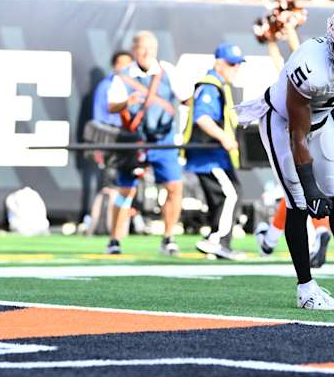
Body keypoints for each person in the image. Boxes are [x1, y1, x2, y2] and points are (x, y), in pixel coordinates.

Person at [237, 5, 334, 311]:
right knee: (299, 203)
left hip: (323, 117)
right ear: (331, 44)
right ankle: (305, 288)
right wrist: (310, 186)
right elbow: (297, 133)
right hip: (283, 124)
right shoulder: (309, 65)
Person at [105, 31, 191, 256]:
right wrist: (127, 102)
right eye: (142, 49)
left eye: (151, 49)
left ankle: (168, 237)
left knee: (174, 187)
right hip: (136, 140)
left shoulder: (168, 71)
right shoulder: (122, 76)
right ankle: (114, 240)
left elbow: (186, 98)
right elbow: (111, 105)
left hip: (164, 139)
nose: (147, 54)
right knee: (125, 190)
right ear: (134, 50)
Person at [185, 42, 245, 260]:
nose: (235, 68)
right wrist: (224, 137)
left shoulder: (219, 85)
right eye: (231, 63)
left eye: (238, 64)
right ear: (218, 64)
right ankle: (217, 241)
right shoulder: (211, 85)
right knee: (232, 194)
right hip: (208, 157)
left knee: (223, 198)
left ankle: (217, 240)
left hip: (214, 157)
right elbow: (202, 117)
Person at [83, 51, 133, 236]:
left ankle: (128, 224)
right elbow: (100, 120)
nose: (125, 68)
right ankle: (106, 226)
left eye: (129, 64)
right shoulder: (106, 86)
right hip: (111, 142)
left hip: (130, 140)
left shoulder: (135, 85)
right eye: (122, 64)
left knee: (127, 185)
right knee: (111, 184)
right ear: (114, 65)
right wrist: (100, 146)